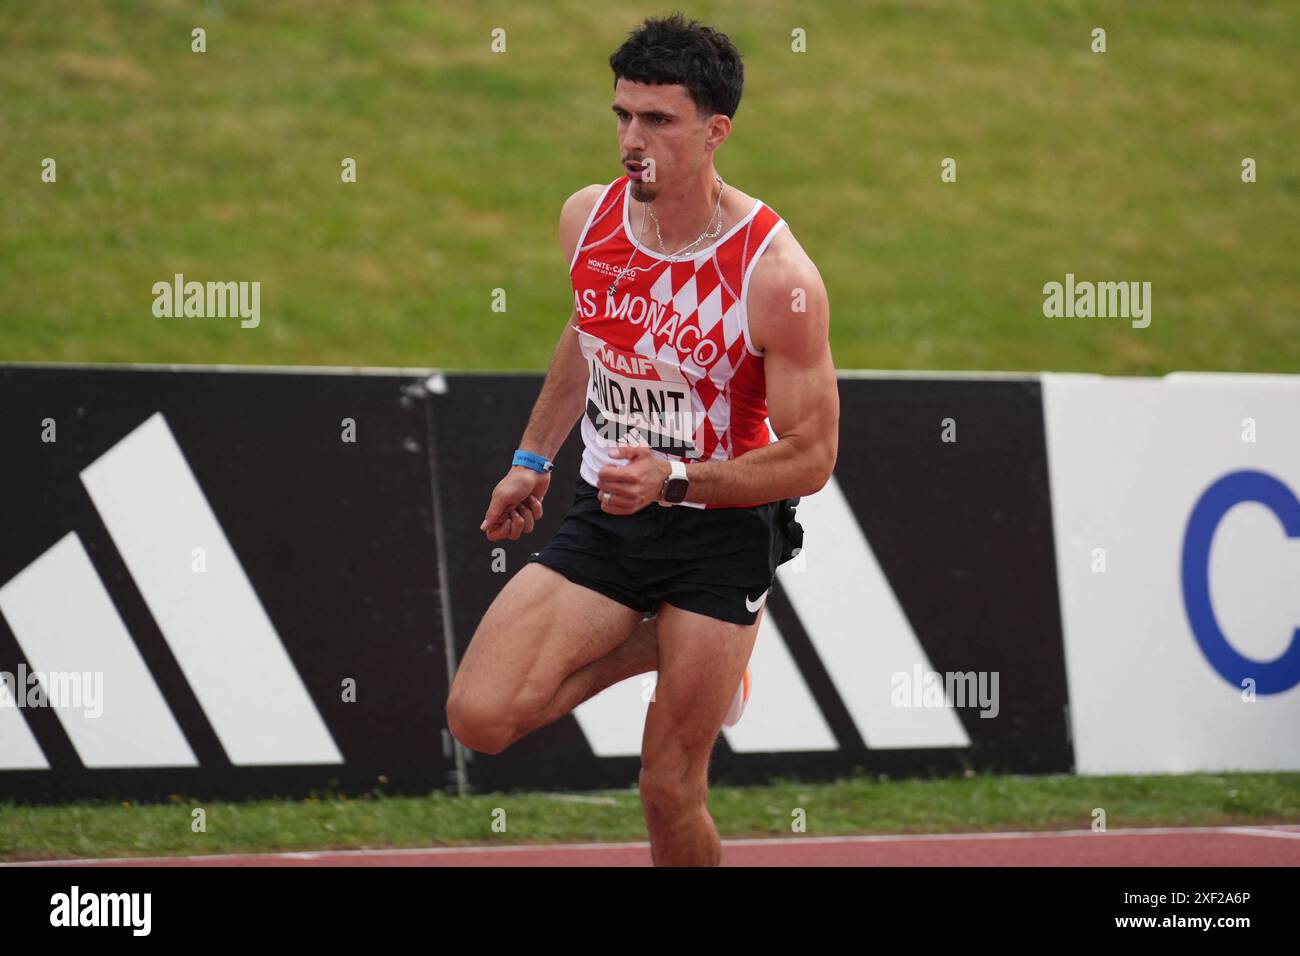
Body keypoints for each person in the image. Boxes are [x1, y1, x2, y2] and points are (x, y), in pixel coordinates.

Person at [446, 13, 839, 866]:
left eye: (657, 120)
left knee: (667, 789)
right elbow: (589, 333)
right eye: (622, 114)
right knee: (479, 715)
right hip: (610, 511)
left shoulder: (775, 276)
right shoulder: (589, 219)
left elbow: (810, 458)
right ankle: (669, 641)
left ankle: (701, 640)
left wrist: (676, 479)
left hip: (721, 529)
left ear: (714, 130)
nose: (632, 138)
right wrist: (529, 458)